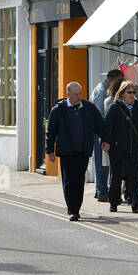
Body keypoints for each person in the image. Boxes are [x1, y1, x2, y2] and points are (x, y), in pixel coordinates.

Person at [47, 82, 108, 221]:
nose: (79, 96)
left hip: (83, 151)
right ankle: (72, 209)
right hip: (66, 152)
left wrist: (105, 139)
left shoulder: (88, 108)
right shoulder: (58, 110)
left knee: (79, 180)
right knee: (69, 181)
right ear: (68, 94)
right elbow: (51, 131)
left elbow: (100, 125)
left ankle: (77, 208)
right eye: (76, 94)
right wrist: (49, 149)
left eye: (80, 93)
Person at [104, 82, 138, 213]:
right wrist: (109, 142)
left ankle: (136, 204)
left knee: (134, 176)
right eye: (130, 92)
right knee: (116, 176)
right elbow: (106, 126)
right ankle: (114, 202)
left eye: (134, 92)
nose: (133, 95)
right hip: (117, 148)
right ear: (122, 93)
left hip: (134, 147)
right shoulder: (114, 107)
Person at [89, 69, 124, 202]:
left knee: (104, 162)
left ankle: (101, 190)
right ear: (113, 80)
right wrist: (105, 136)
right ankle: (102, 191)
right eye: (119, 81)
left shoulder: (103, 89)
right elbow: (100, 116)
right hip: (100, 133)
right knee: (102, 163)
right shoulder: (101, 91)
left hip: (103, 132)